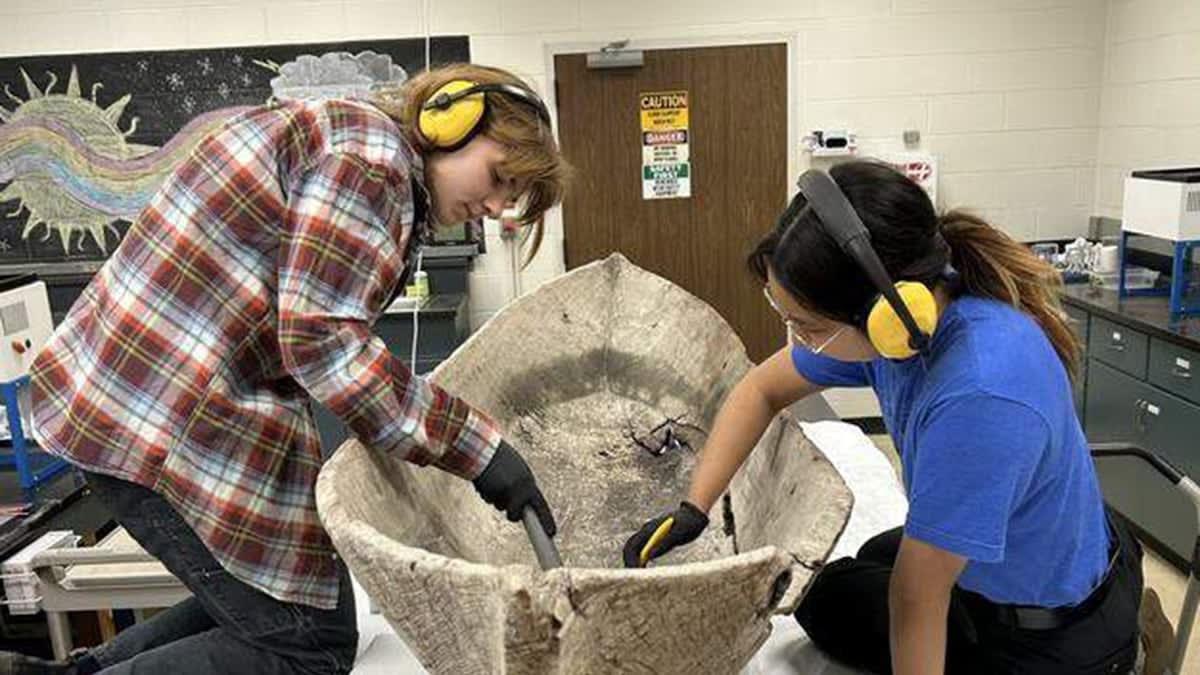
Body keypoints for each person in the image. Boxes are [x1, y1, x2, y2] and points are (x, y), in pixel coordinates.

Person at [3, 63, 568, 675]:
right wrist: (479, 450)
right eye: (497, 178)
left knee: (284, 612)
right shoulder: (372, 162)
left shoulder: (355, 144)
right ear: (450, 120)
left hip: (135, 399)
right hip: (150, 415)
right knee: (307, 648)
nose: (491, 206)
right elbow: (323, 343)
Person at [623, 160, 1167, 674]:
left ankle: (1127, 646)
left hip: (1050, 639)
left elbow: (917, 597)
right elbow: (761, 389)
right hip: (1055, 548)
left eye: (808, 326)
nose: (800, 341)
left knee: (828, 599)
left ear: (885, 315)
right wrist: (695, 506)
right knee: (868, 562)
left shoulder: (980, 396)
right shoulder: (919, 319)